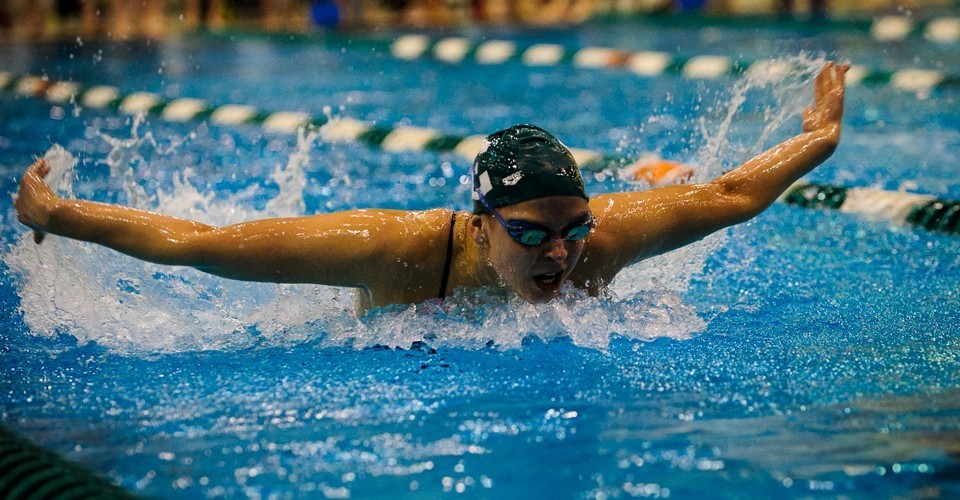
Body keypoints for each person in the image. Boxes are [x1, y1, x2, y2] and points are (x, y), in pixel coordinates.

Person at [15, 63, 849, 315]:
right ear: (481, 225)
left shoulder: (609, 240)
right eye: (532, 233)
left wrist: (820, 138)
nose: (560, 253)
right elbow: (199, 245)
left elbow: (735, 195)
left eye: (574, 228)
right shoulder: (394, 250)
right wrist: (61, 214)